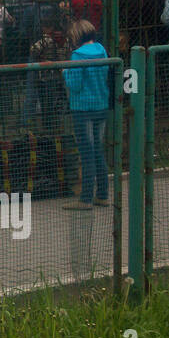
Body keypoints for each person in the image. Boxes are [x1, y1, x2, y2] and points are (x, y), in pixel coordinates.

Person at [63, 19, 110, 210]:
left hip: (82, 109)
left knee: (86, 152)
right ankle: (103, 195)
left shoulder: (77, 56)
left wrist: (65, 72)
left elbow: (75, 85)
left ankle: (85, 198)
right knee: (98, 150)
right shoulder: (102, 50)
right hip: (101, 105)